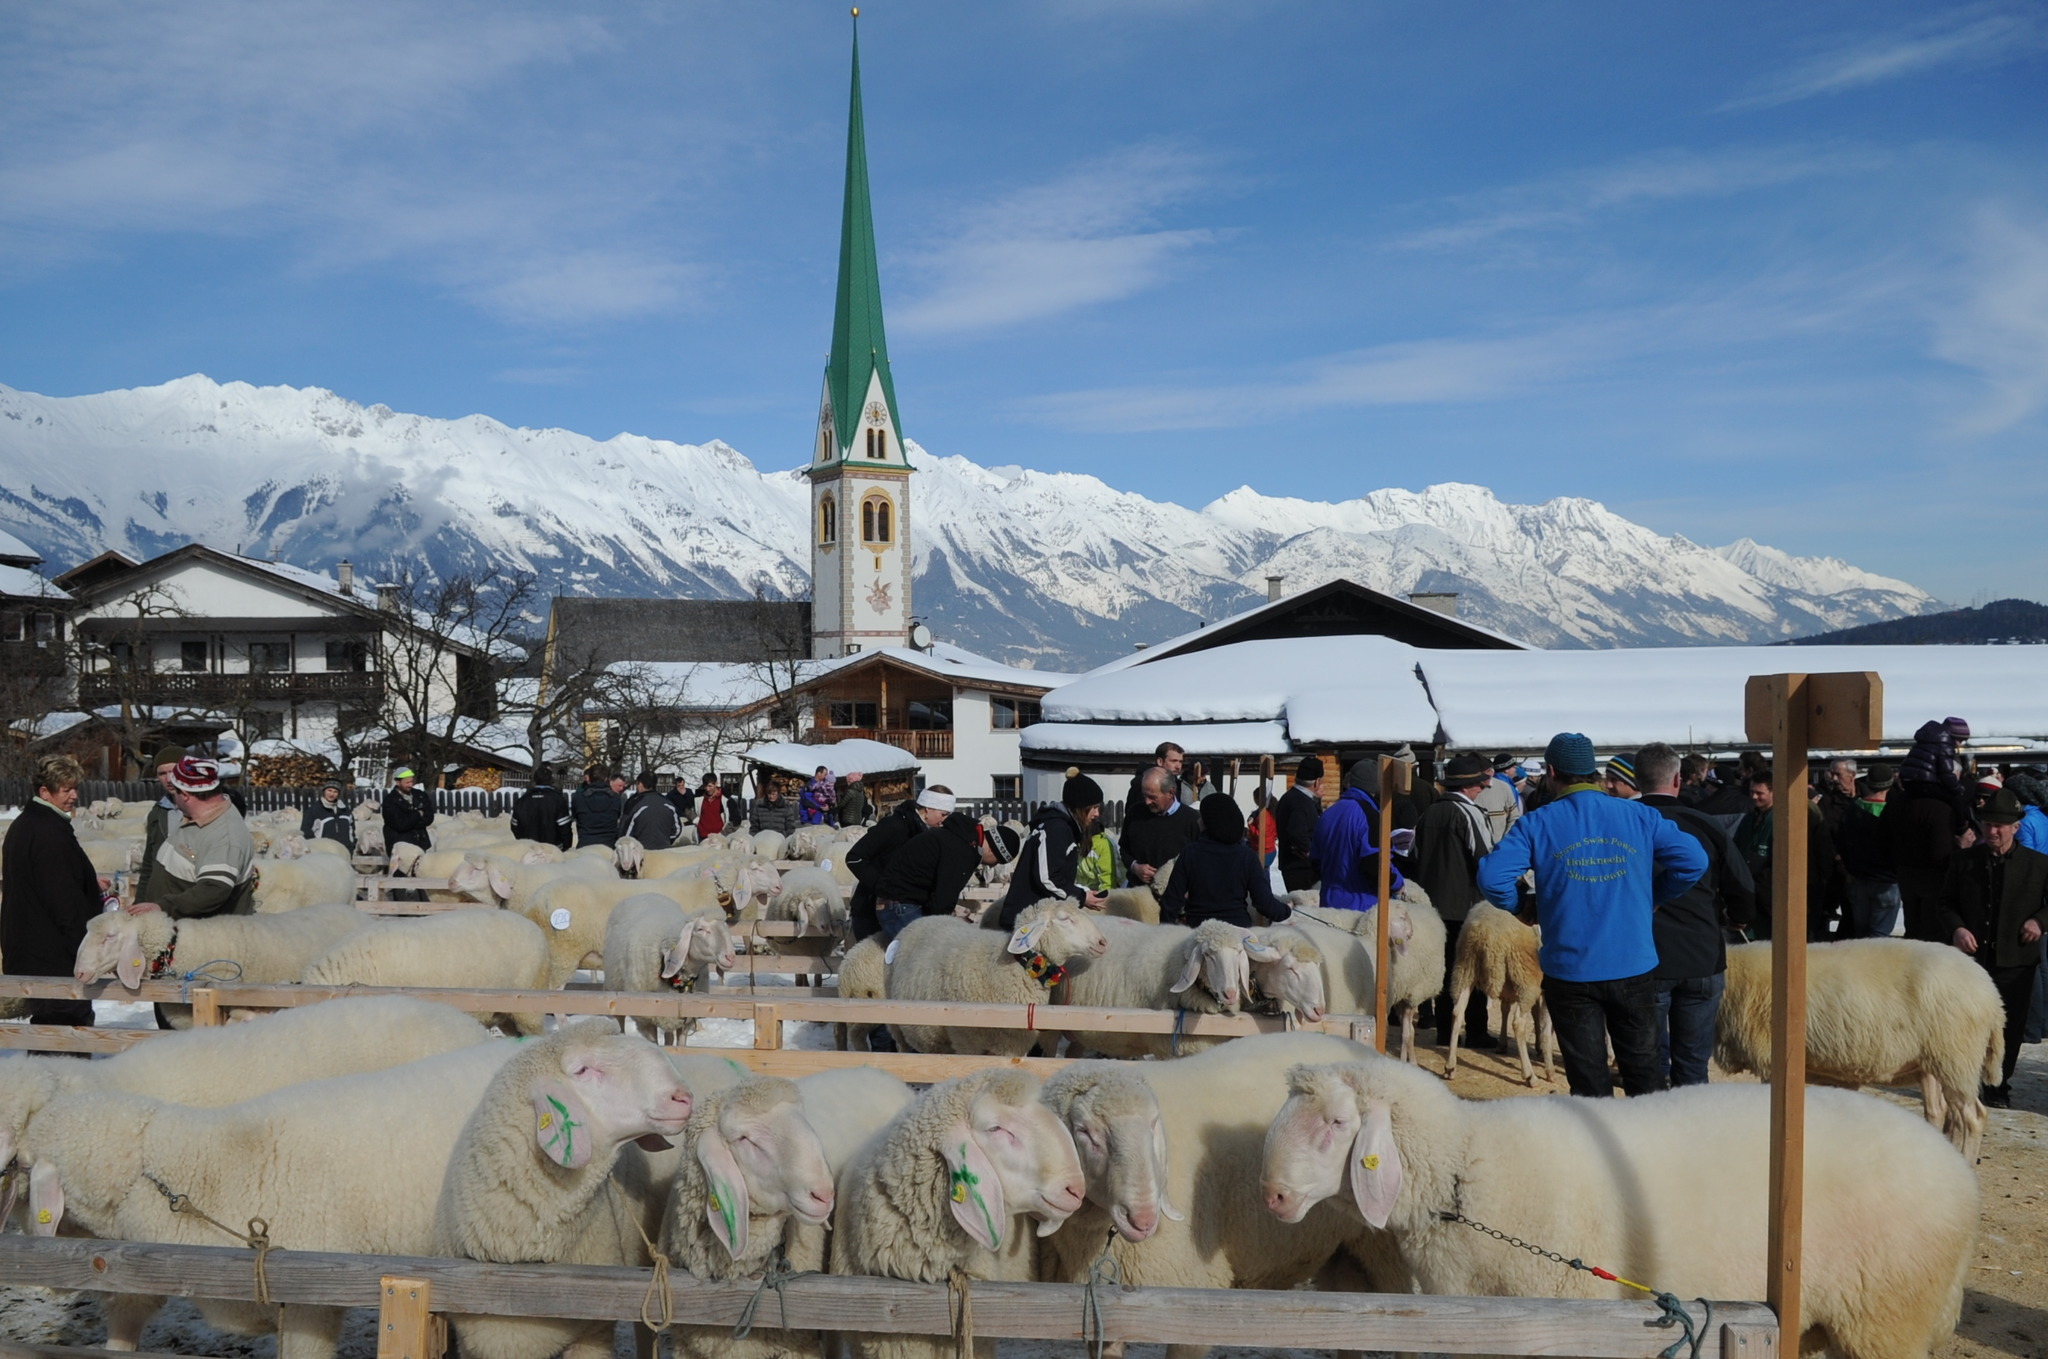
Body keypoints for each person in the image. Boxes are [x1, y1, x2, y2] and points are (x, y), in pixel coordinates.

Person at [1476, 732, 1707, 1098]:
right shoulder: (1638, 814)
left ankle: (1596, 1134)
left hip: (1570, 970)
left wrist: (1520, 906)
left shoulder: (1538, 822)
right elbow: (1694, 860)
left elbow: (1492, 877)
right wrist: (1655, 896)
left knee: (1588, 1081)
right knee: (1644, 1076)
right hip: (1632, 965)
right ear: (1594, 771)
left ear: (1552, 771)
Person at [1636, 742, 1754, 1088]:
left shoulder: (1622, 826)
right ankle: (1692, 1120)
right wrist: (1738, 918)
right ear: (1678, 779)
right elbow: (1742, 885)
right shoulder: (1705, 824)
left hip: (1644, 956)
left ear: (1637, 780)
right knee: (1692, 1066)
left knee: (1648, 1065)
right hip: (1701, 953)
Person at [1937, 789, 2048, 1109]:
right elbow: (1944, 903)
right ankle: (1968, 1081)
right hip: (1972, 961)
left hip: (2016, 960)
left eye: (2000, 825)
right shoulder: (1963, 861)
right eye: (1987, 824)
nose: (1993, 831)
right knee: (1967, 1023)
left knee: (2009, 1026)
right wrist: (1957, 929)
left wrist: (2039, 921)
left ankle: (1998, 1084)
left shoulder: (2038, 864)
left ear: (2015, 827)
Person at [1, 755, 110, 1028]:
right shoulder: (49, 832)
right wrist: (83, 949)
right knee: (66, 1027)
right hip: (54, 954)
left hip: (31, 947)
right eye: (66, 789)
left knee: (48, 1026)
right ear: (45, 792)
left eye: (76, 788)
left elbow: (42, 881)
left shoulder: (26, 824)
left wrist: (87, 883)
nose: (74, 796)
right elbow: (62, 900)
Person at [1413, 754, 1497, 1048]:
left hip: (1432, 907)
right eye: (1479, 784)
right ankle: (1476, 1031)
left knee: (1446, 971)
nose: (1482, 789)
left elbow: (1413, 855)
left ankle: (1445, 1032)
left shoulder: (1429, 813)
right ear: (1468, 786)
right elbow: (1484, 859)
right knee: (1472, 971)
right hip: (1466, 905)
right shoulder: (1470, 813)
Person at [135, 757, 260, 919]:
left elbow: (214, 889)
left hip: (198, 930)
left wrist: (164, 906)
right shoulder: (196, 817)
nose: (173, 798)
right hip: (169, 923)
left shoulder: (225, 836)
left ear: (185, 794)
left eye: (175, 792)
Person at [873, 814, 1021, 942]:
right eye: (997, 861)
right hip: (902, 906)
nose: (993, 865)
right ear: (994, 851)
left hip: (898, 901)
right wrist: (950, 921)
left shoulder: (958, 837)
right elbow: (943, 898)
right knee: (925, 957)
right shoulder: (963, 852)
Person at [995, 770, 1108, 931]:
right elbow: (1046, 877)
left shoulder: (1061, 828)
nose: (1097, 813)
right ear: (1080, 807)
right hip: (1028, 920)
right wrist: (1081, 896)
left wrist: (1081, 892)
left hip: (1036, 915)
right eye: (1094, 807)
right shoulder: (1056, 829)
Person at [1160, 793, 1291, 930]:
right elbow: (1264, 903)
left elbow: (1171, 900)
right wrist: (1286, 910)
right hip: (1237, 931)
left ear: (1208, 822)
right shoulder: (1247, 856)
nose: (1198, 821)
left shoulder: (1190, 853)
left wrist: (1165, 931)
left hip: (1199, 930)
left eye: (1201, 817)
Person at [1734, 770, 1836, 941]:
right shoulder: (1749, 819)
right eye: (1751, 792)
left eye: (1759, 793)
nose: (1754, 797)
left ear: (1774, 792)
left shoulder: (1788, 819)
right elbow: (1737, 848)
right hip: (1754, 892)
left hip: (1777, 893)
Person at [845, 787, 947, 941]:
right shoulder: (894, 826)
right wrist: (882, 886)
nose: (945, 820)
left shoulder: (928, 836)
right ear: (929, 809)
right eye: (943, 814)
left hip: (908, 909)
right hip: (870, 910)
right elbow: (855, 857)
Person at [1309, 759, 1407, 913]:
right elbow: (1374, 863)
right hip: (1361, 906)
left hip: (1329, 904)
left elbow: (1315, 859)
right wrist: (1397, 883)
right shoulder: (1370, 816)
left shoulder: (1329, 813)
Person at [1836, 763, 1900, 938]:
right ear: (1890, 784)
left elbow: (1841, 844)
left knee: (1861, 936)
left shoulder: (1852, 810)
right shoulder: (1894, 812)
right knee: (1879, 937)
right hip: (1887, 882)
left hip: (1858, 880)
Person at [1120, 766, 1199, 888]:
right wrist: (1135, 867)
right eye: (1144, 795)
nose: (1147, 802)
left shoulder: (1192, 820)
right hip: (1138, 892)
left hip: (1176, 894)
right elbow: (1124, 849)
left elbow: (1200, 860)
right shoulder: (1135, 814)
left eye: (1152, 797)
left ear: (1170, 793)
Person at [134, 744, 187, 906]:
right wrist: (139, 902)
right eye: (162, 773)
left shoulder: (204, 811)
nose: (168, 779)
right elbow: (149, 864)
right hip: (161, 900)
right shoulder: (158, 813)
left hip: (194, 900)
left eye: (174, 771)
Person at [1272, 757, 1325, 891]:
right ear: (1317, 781)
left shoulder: (1289, 797)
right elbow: (1296, 832)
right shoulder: (1301, 802)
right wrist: (1310, 853)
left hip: (1293, 866)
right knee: (1306, 903)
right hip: (1302, 869)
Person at [1123, 742, 1194, 821]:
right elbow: (1133, 816)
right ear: (1160, 761)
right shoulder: (1142, 785)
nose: (1178, 766)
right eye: (1173, 761)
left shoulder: (1177, 784)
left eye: (1180, 761)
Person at [510, 764, 574, 849]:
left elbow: (515, 826)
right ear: (551, 780)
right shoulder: (558, 800)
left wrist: (524, 842)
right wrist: (565, 847)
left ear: (535, 780)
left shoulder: (522, 801)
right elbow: (565, 827)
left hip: (529, 850)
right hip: (553, 849)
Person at [622, 770, 682, 850]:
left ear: (640, 784)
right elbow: (677, 829)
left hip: (641, 851)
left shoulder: (633, 803)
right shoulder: (668, 804)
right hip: (664, 851)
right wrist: (665, 839)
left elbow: (625, 832)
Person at [381, 766, 436, 854]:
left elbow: (429, 817)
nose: (410, 785)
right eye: (407, 782)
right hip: (401, 846)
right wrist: (418, 814)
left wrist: (409, 821)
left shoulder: (420, 795)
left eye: (411, 781)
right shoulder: (390, 800)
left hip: (421, 844)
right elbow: (400, 824)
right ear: (398, 782)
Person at [568, 765, 623, 848]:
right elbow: (617, 816)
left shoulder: (578, 798)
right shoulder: (616, 799)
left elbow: (575, 815)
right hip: (608, 845)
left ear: (589, 778)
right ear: (606, 779)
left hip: (585, 844)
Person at [1473, 753, 1523, 842]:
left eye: (1489, 771)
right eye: (1513, 767)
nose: (1516, 769)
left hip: (1501, 845)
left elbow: (1514, 816)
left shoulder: (1504, 787)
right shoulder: (1466, 791)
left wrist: (1505, 843)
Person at [300, 780, 354, 851]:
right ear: (324, 791)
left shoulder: (345, 810)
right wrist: (315, 847)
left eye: (335, 792)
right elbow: (306, 831)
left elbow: (352, 829)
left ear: (338, 794)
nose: (332, 794)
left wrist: (352, 844)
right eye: (329, 790)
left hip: (345, 850)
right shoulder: (314, 810)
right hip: (323, 851)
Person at [696, 774, 726, 838]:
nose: (707, 789)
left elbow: (734, 819)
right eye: (705, 786)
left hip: (719, 836)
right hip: (703, 836)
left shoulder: (725, 799)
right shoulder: (698, 798)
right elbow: (688, 809)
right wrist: (696, 820)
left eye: (710, 786)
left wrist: (724, 833)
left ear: (716, 784)